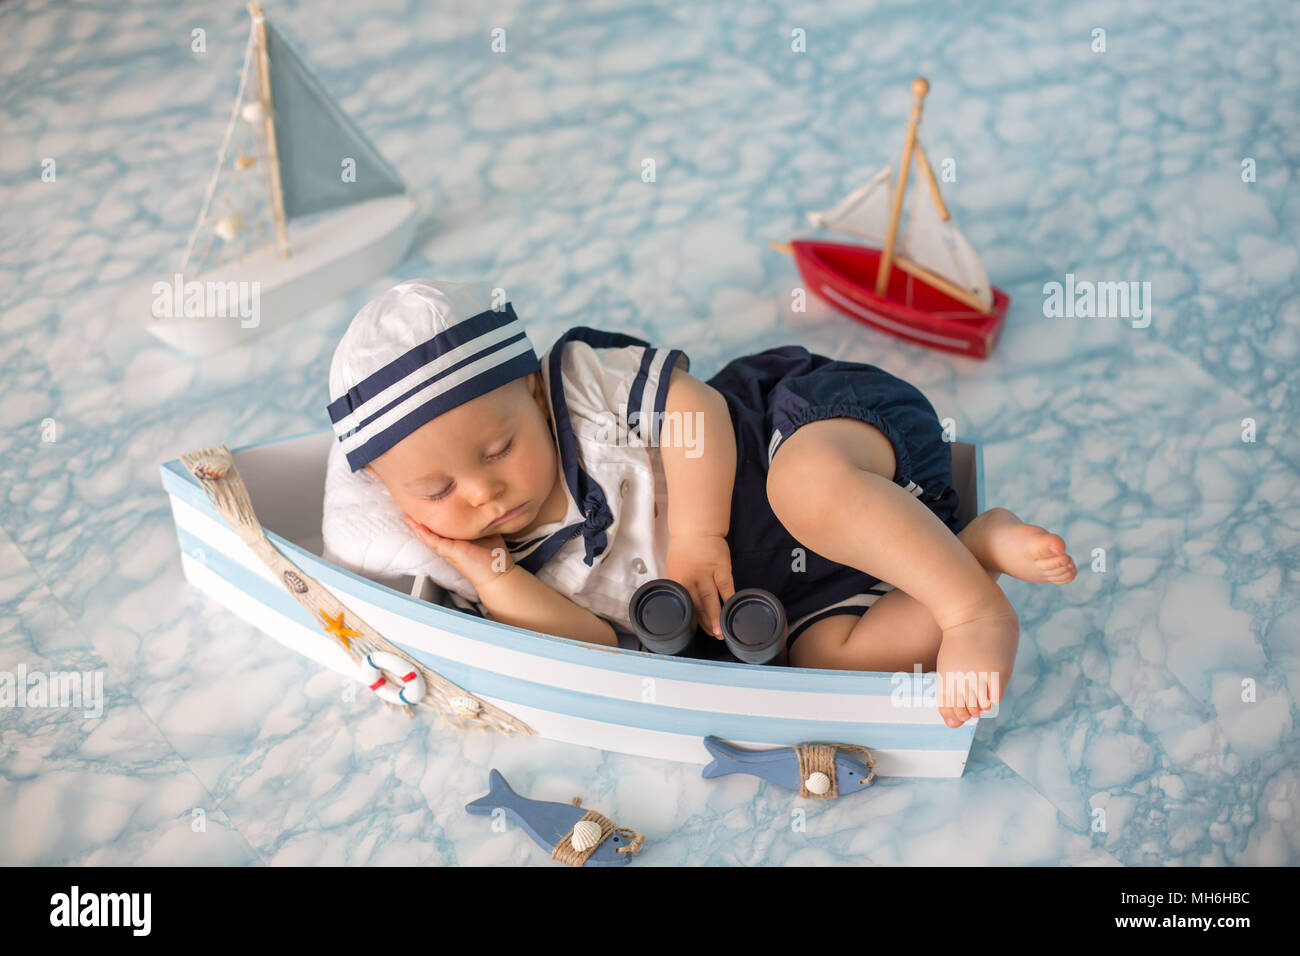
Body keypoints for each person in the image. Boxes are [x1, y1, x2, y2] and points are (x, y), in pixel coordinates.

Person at [326, 279, 1076, 727]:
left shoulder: (578, 387)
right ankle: (971, 553)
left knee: (808, 492)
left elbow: (696, 409)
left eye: (497, 450)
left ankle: (971, 613)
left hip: (807, 436)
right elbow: (593, 649)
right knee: (826, 661)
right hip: (809, 589)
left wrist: (698, 533)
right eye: (437, 492)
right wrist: (493, 577)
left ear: (529, 393)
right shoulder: (506, 561)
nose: (484, 491)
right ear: (396, 499)